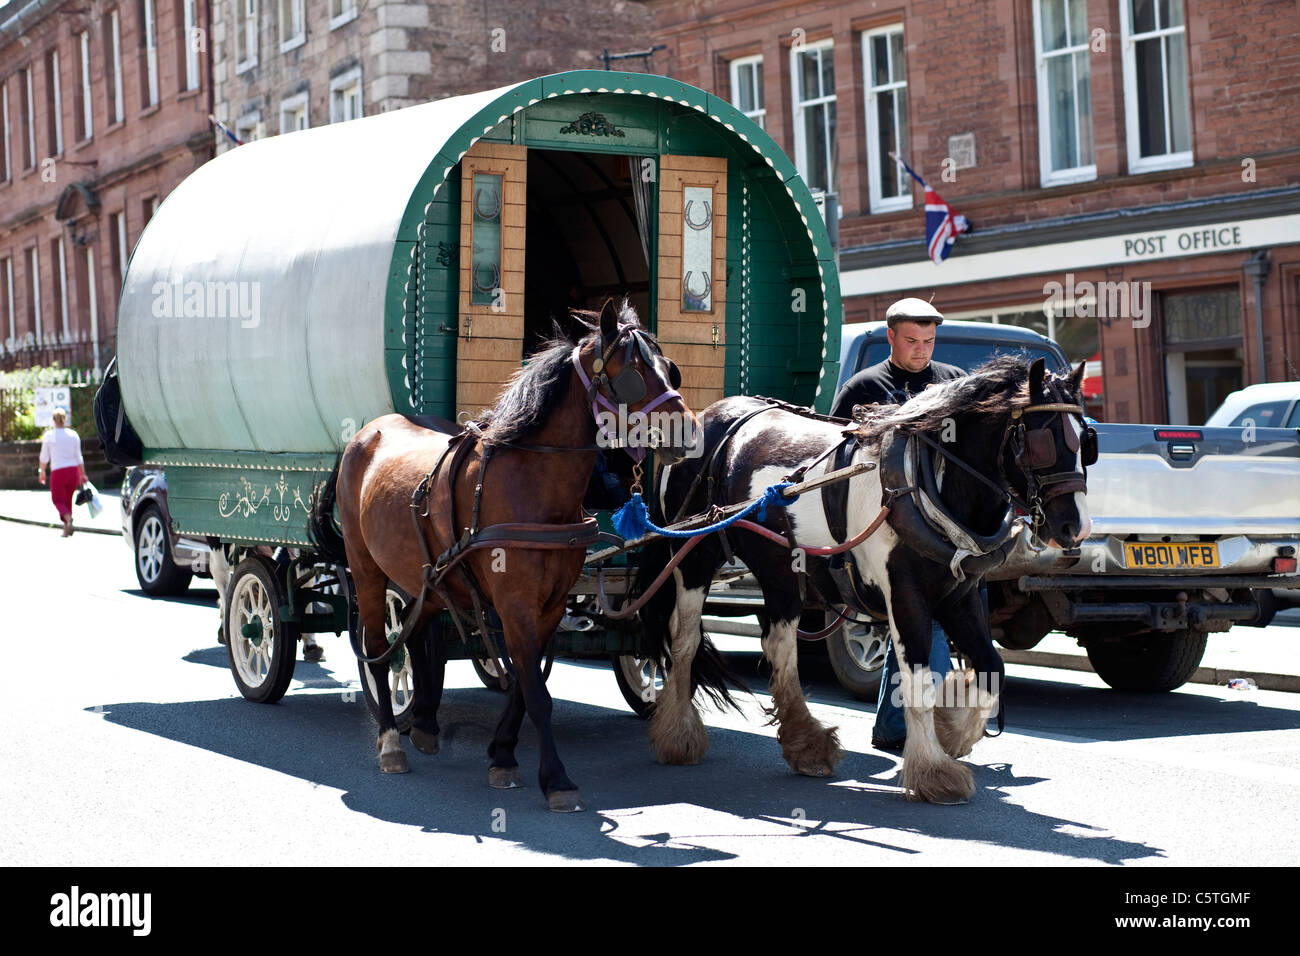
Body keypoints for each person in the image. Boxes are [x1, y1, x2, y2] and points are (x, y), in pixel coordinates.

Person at [829, 297, 965, 753]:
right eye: (911, 340)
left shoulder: (953, 384)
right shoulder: (862, 388)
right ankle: (937, 735)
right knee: (924, 631)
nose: (921, 350)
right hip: (878, 538)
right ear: (890, 337)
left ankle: (894, 727)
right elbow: (835, 465)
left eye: (929, 340)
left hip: (944, 538)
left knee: (913, 628)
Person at [37, 407, 86, 538]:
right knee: (67, 500)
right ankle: (66, 530)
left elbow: (44, 457)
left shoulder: (49, 436)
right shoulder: (73, 435)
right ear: (65, 419)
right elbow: (79, 456)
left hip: (58, 472)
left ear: (53, 420)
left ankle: (68, 519)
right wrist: (83, 474)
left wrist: (42, 471)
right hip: (73, 472)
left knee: (57, 500)